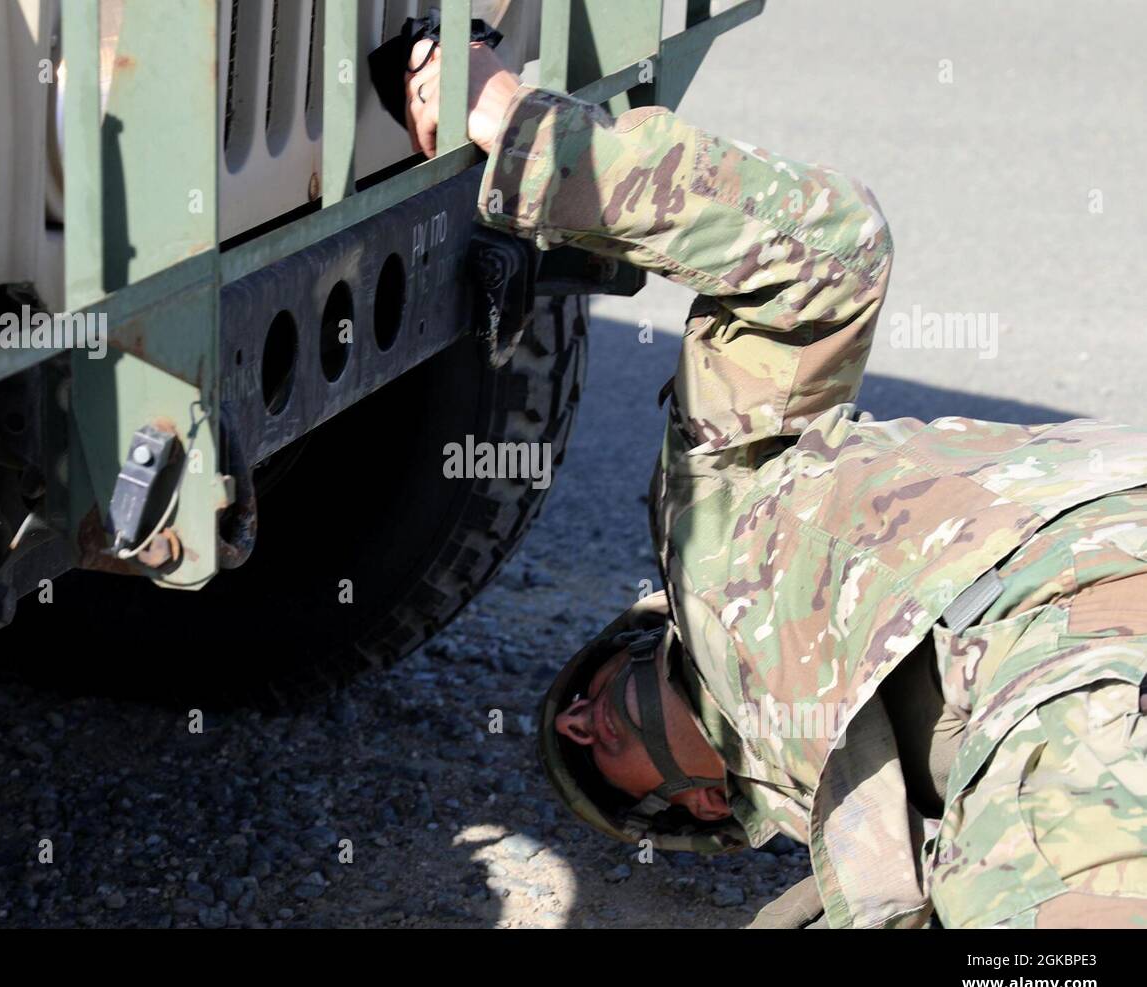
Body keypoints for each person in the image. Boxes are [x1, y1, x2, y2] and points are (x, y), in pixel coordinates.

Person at [402, 40, 1147, 929]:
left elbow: (830, 255)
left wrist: (531, 137)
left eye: (589, 695)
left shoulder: (720, 520)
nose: (576, 726)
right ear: (712, 809)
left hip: (1063, 612)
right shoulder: (883, 832)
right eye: (603, 774)